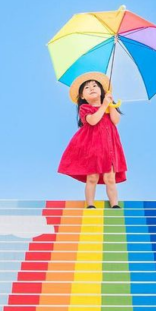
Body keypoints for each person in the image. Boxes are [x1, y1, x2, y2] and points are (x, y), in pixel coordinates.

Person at [58, 71, 127, 208]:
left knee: (110, 178)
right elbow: (93, 121)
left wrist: (110, 104)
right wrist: (103, 106)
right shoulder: (85, 108)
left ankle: (114, 204)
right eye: (87, 88)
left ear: (102, 91)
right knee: (92, 177)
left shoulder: (108, 106)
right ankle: (90, 204)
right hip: (92, 149)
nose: (92, 88)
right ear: (82, 96)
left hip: (109, 149)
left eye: (95, 85)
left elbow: (116, 120)